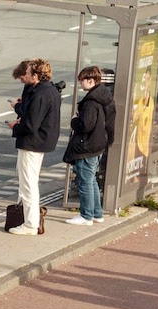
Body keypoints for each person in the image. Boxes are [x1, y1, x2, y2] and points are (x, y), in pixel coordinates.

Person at [9, 58, 61, 234]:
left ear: (36, 75)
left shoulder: (39, 94)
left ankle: (30, 223)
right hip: (42, 141)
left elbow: (31, 124)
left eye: (29, 72)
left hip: (32, 142)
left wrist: (15, 126)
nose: (26, 74)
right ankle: (29, 219)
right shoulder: (50, 90)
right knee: (30, 181)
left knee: (28, 184)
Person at [62, 63, 113, 225]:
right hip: (98, 145)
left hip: (87, 145)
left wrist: (75, 121)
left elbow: (86, 125)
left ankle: (86, 215)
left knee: (85, 181)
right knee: (91, 180)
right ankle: (97, 213)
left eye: (82, 80)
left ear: (90, 80)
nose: (80, 83)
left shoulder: (91, 102)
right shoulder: (105, 97)